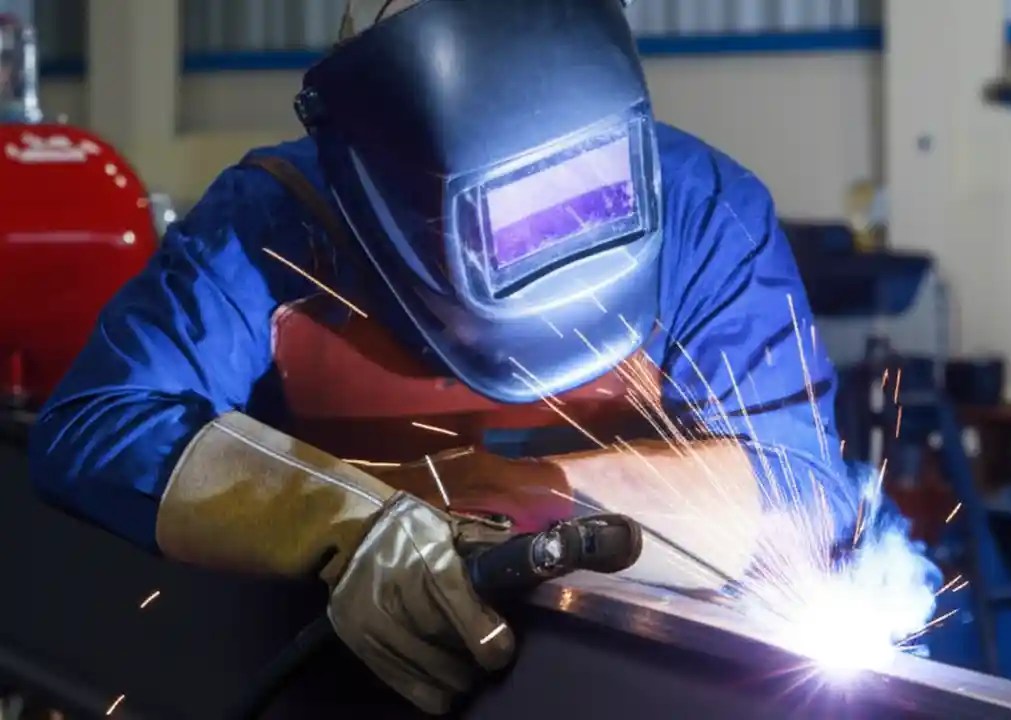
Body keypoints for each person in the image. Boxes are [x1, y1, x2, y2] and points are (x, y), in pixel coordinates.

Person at [28, 0, 862, 714]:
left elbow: (802, 496)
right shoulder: (276, 221)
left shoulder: (701, 211)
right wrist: (342, 517)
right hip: (331, 681)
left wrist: (517, 502)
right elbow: (95, 424)